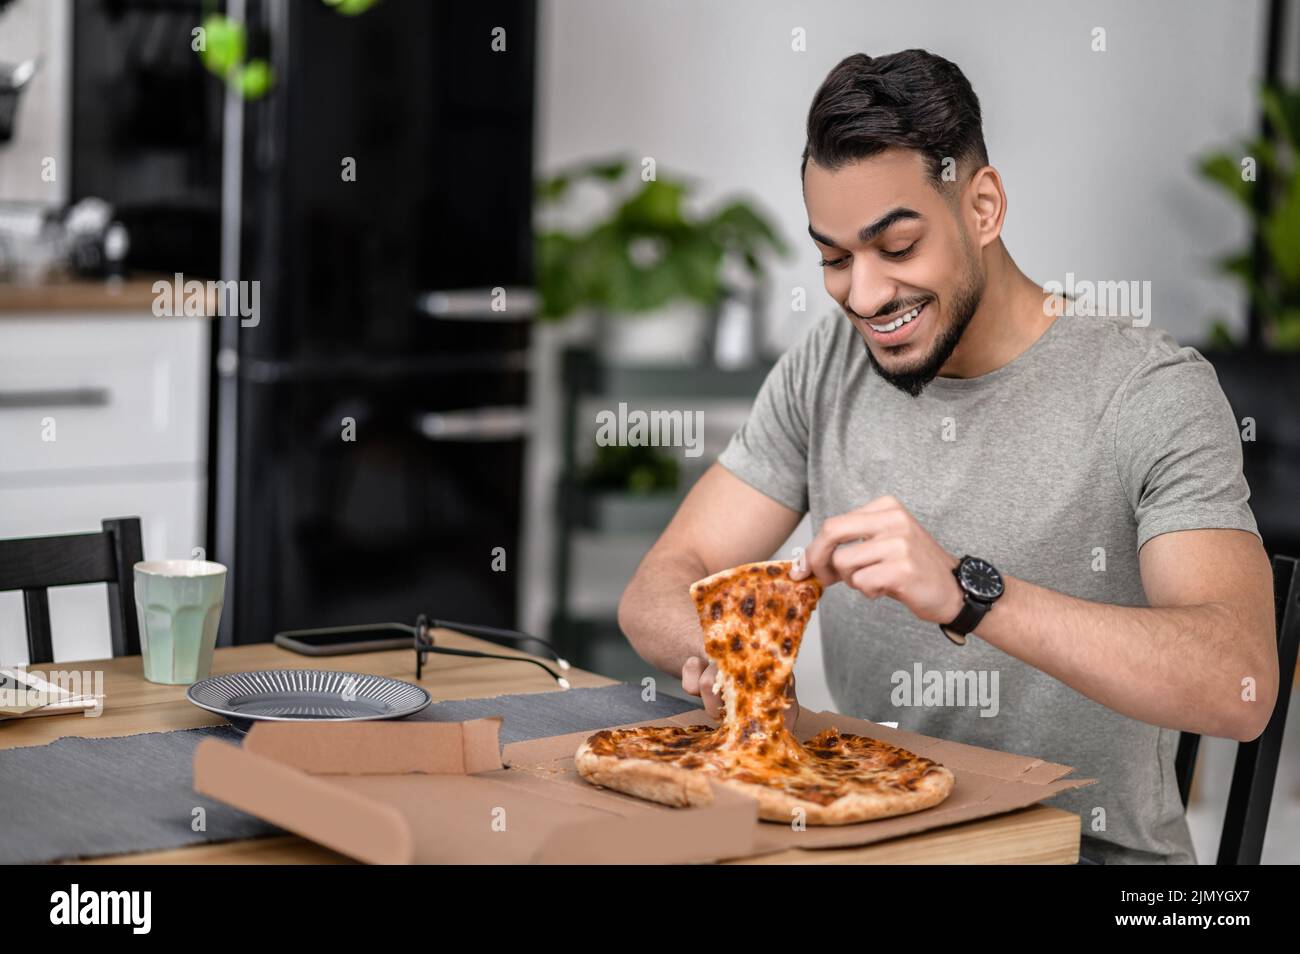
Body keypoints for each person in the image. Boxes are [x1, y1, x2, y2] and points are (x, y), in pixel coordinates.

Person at [616, 49, 1278, 865]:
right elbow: (662, 578)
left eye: (896, 246)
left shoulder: (1150, 393)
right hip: (871, 831)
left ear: (984, 206)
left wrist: (968, 594)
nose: (863, 296)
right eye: (833, 258)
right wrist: (720, 654)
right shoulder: (827, 367)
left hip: (1085, 854)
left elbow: (1239, 683)